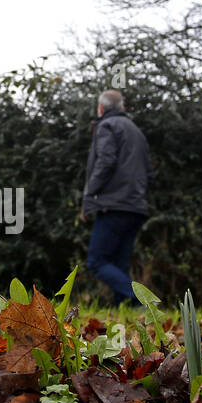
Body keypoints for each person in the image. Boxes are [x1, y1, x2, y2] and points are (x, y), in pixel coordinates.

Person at [81, 89, 151, 305]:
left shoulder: (107, 126)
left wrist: (89, 196)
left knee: (96, 261)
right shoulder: (137, 132)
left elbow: (106, 162)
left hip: (114, 206)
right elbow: (149, 173)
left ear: (101, 109)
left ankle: (140, 300)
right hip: (136, 207)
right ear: (122, 108)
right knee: (120, 264)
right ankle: (128, 310)